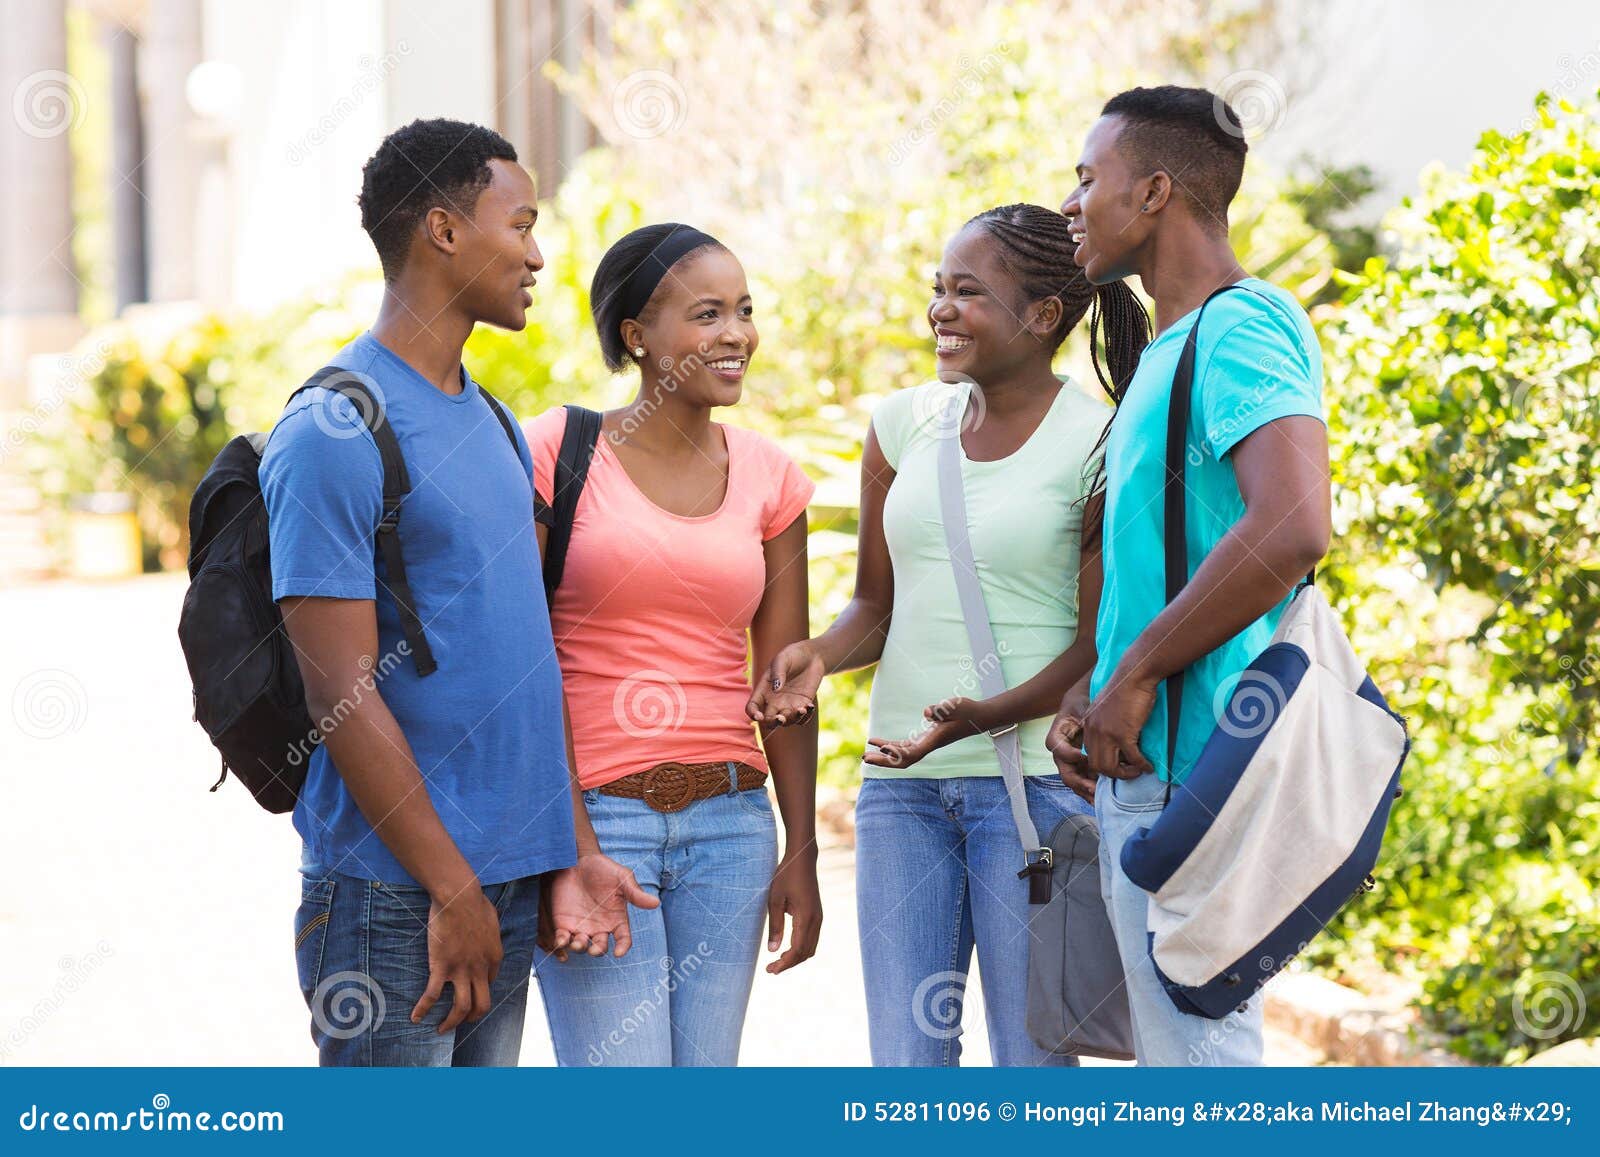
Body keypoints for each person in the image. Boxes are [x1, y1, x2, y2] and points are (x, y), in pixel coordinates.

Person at [262, 119, 653, 1067]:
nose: (538, 254)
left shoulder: (492, 422)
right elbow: (337, 693)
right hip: (398, 897)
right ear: (443, 229)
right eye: (519, 225)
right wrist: (450, 889)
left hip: (504, 883)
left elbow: (525, 658)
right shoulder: (334, 428)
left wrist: (568, 846)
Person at [749, 205, 1147, 1066]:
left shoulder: (1101, 439)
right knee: (906, 1059)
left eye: (968, 292)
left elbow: (1097, 642)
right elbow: (875, 609)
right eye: (939, 288)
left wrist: (988, 712)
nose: (941, 308)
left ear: (1043, 315)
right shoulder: (902, 424)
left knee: (1034, 1062)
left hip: (1036, 790)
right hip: (901, 793)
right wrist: (818, 655)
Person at [1052, 85, 1332, 1066]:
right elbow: (1173, 550)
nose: (1070, 203)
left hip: (1195, 764)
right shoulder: (1173, 347)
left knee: (1200, 1078)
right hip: (1157, 764)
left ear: (1156, 192)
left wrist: (1134, 675)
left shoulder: (1240, 326)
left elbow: (1293, 523)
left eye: (1088, 179)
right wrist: (1097, 687)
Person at [528, 224, 821, 1066]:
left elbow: (788, 682)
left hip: (731, 822)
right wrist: (572, 844)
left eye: (744, 310)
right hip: (598, 819)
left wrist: (798, 846)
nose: (736, 333)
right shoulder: (556, 450)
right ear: (637, 337)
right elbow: (519, 663)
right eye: (706, 314)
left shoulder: (772, 476)